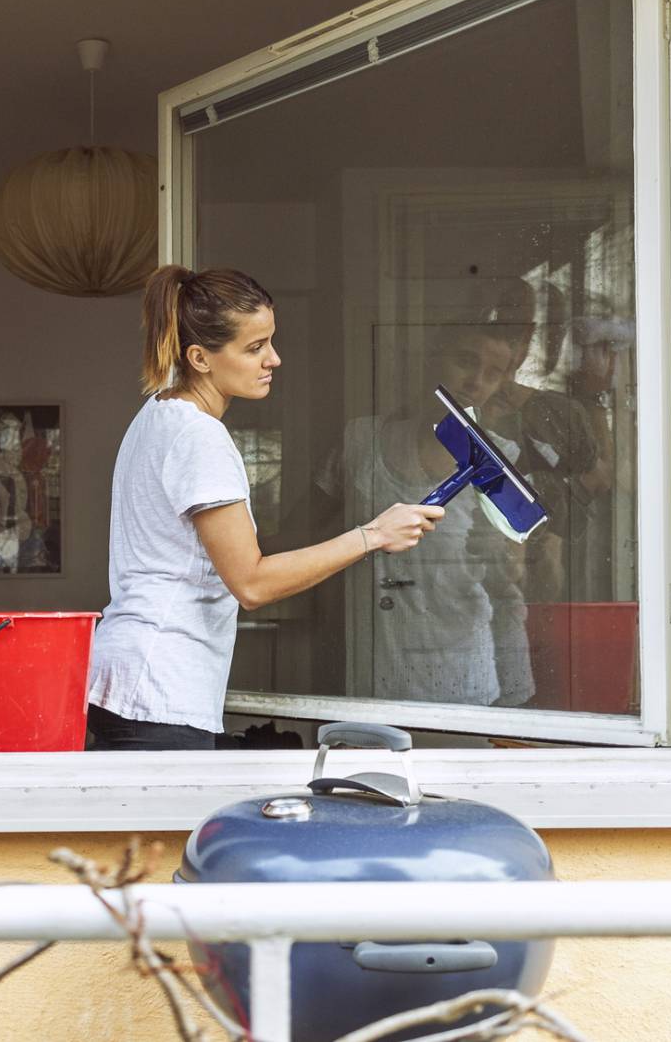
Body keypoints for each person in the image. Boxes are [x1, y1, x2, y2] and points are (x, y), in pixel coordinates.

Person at [85, 265, 445, 751]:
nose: (273, 359)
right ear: (200, 357)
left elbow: (226, 556)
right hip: (158, 687)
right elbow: (251, 582)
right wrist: (373, 536)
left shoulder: (157, 415)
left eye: (270, 341)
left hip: (132, 681)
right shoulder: (199, 437)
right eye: (254, 348)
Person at [319, 318, 535, 708]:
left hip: (462, 668)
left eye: (493, 373)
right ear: (431, 361)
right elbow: (304, 534)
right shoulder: (361, 441)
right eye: (466, 361)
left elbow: (516, 574)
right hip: (376, 662)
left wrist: (497, 553)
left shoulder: (500, 460)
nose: (476, 381)